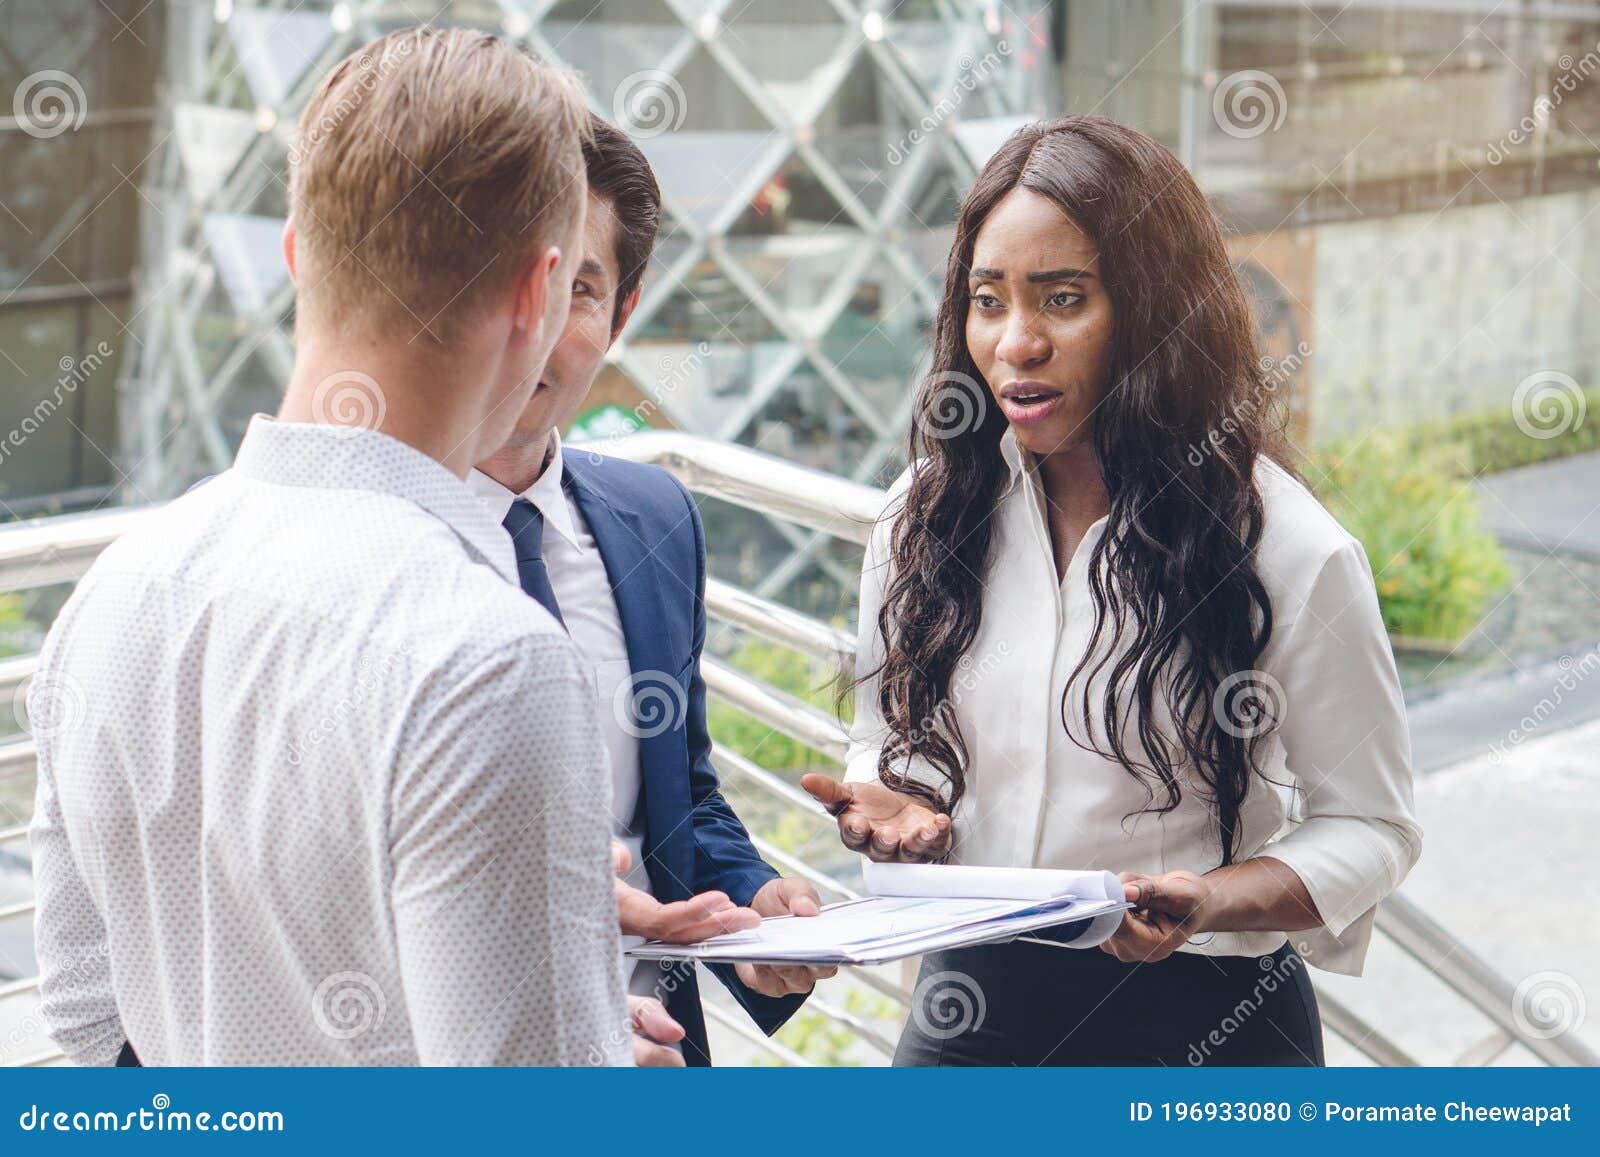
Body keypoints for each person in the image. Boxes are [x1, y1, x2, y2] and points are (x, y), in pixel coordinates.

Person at [28, 28, 632, 1065]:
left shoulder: (112, 593)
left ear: (298, 252)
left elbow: (88, 1019)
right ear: (538, 289)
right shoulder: (491, 660)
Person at [802, 115, 1424, 1066]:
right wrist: (892, 803)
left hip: (1205, 1028)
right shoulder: (920, 518)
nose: (1016, 343)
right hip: (972, 1008)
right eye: (987, 299)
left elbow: (1373, 826)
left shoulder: (1291, 549)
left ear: (1154, 311)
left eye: (1063, 298)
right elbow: (886, 739)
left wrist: (1209, 896)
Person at [469, 115, 834, 1067]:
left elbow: (683, 793)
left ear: (621, 317)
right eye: (518, 276)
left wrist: (752, 904)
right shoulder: (370, 544)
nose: (538, 325)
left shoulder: (655, 515)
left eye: (579, 289)